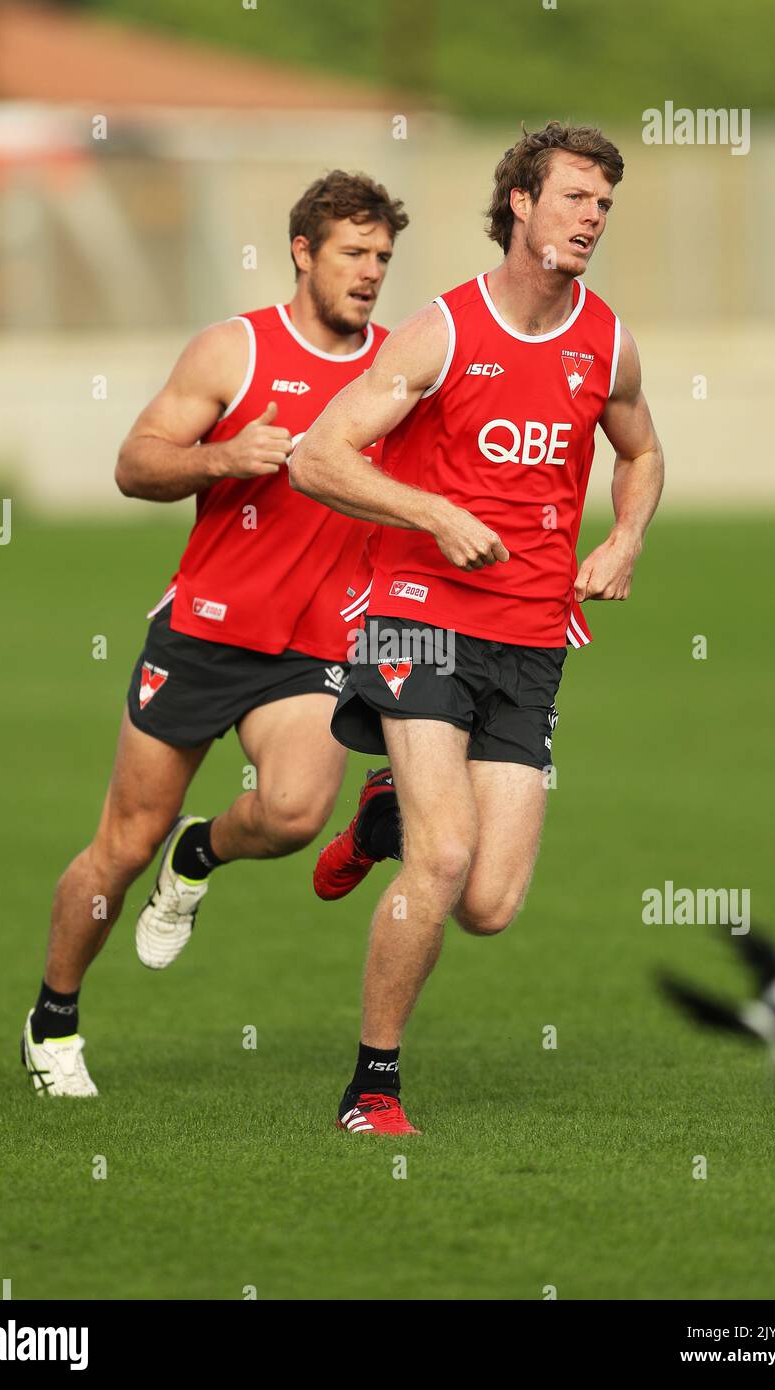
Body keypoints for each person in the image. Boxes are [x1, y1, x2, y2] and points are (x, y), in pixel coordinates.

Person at [289, 123, 664, 1135]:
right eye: (575, 198)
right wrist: (434, 514)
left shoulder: (607, 340)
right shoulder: (442, 331)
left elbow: (639, 451)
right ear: (519, 204)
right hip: (414, 617)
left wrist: (625, 534)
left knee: (490, 903)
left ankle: (383, 818)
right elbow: (318, 457)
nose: (591, 218)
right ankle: (371, 1088)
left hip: (534, 631)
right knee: (445, 857)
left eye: (603, 205)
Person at [22, 171, 408, 1097]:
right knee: (121, 845)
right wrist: (223, 458)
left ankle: (202, 853)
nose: (369, 274)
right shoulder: (232, 351)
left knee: (294, 813)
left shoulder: (399, 365)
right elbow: (134, 464)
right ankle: (53, 1020)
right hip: (204, 634)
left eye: (383, 258)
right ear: (303, 253)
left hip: (316, 645)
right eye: (352, 254)